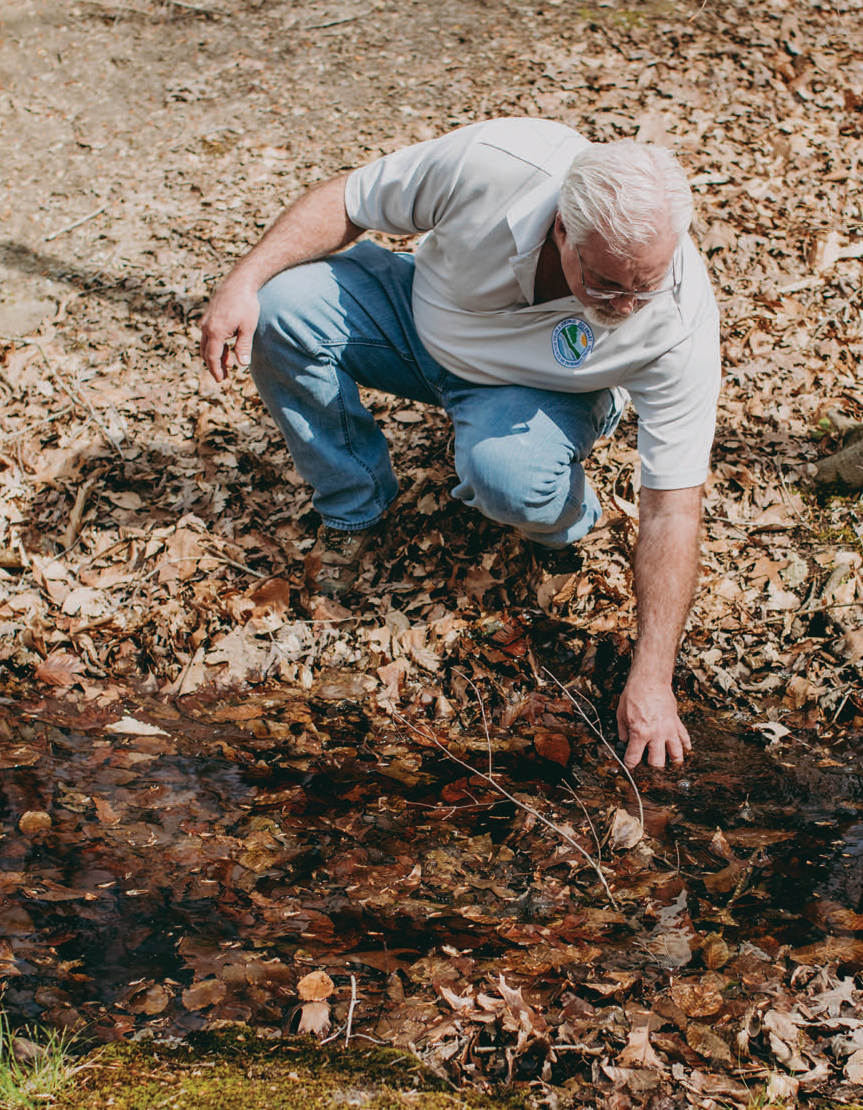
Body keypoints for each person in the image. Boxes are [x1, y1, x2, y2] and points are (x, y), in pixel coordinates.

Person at [196, 118, 721, 769]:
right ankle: (354, 503)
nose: (629, 306)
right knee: (279, 306)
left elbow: (672, 509)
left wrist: (653, 679)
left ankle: (563, 521)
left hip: (543, 388)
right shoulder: (497, 164)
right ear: (564, 229)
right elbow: (348, 200)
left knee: (509, 479)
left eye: (647, 285)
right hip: (422, 324)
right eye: (608, 284)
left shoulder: (677, 317)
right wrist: (243, 280)